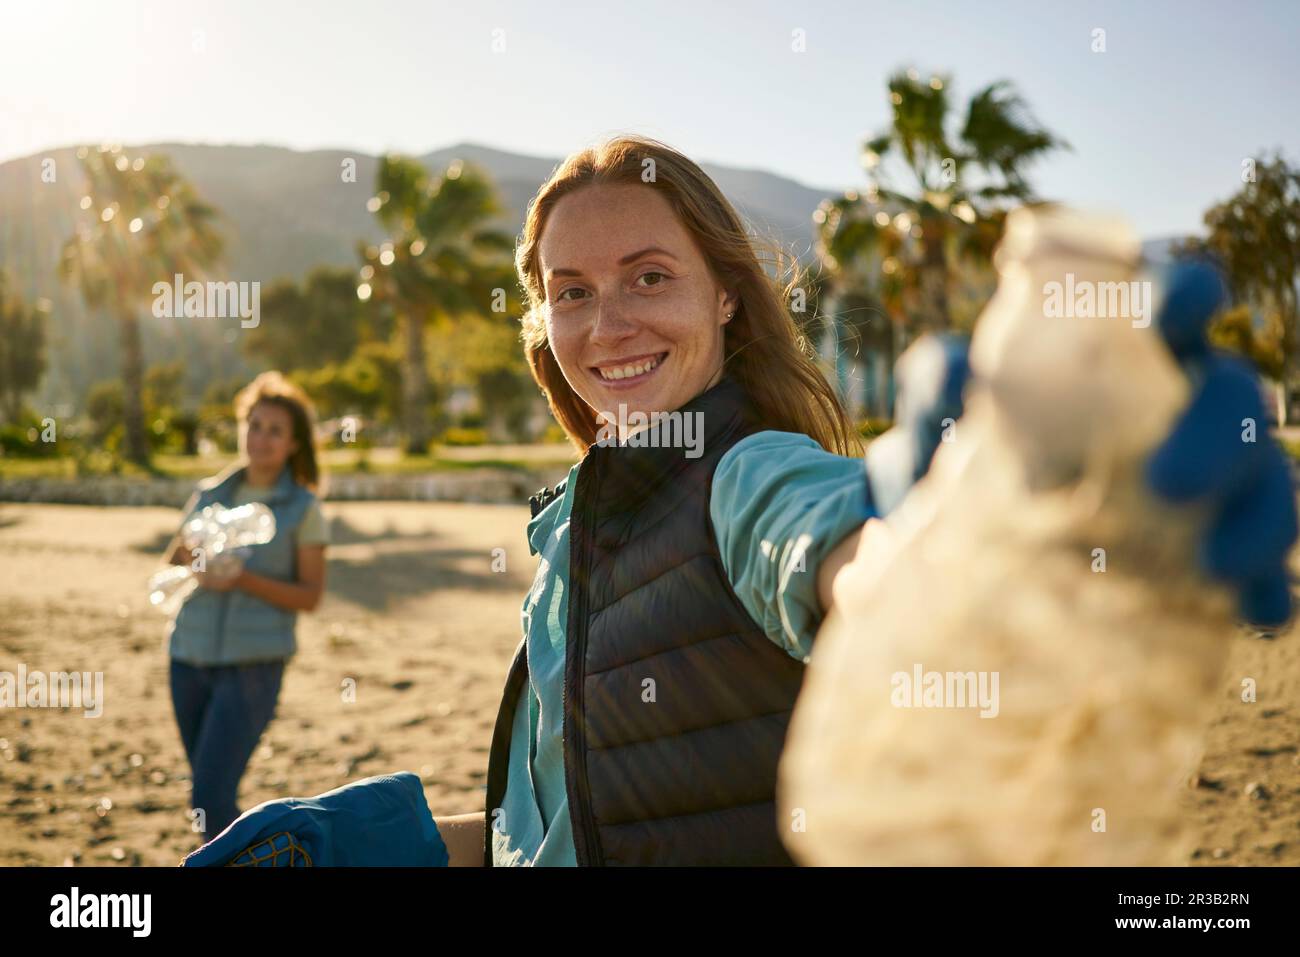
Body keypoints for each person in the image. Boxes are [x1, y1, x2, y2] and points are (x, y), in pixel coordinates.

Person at [182, 136, 1295, 868]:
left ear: (724, 293)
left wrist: (989, 536)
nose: (606, 323)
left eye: (648, 277)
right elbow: (579, 823)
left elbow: (851, 554)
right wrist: (390, 846)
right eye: (571, 293)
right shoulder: (576, 516)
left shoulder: (747, 473)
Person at [164, 371, 330, 843]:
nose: (260, 438)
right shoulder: (210, 493)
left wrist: (243, 580)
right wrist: (200, 564)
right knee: (206, 791)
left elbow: (310, 596)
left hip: (252, 667)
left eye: (275, 430)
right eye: (254, 425)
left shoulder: (303, 509)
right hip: (185, 658)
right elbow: (173, 559)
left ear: (294, 443)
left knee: (209, 796)